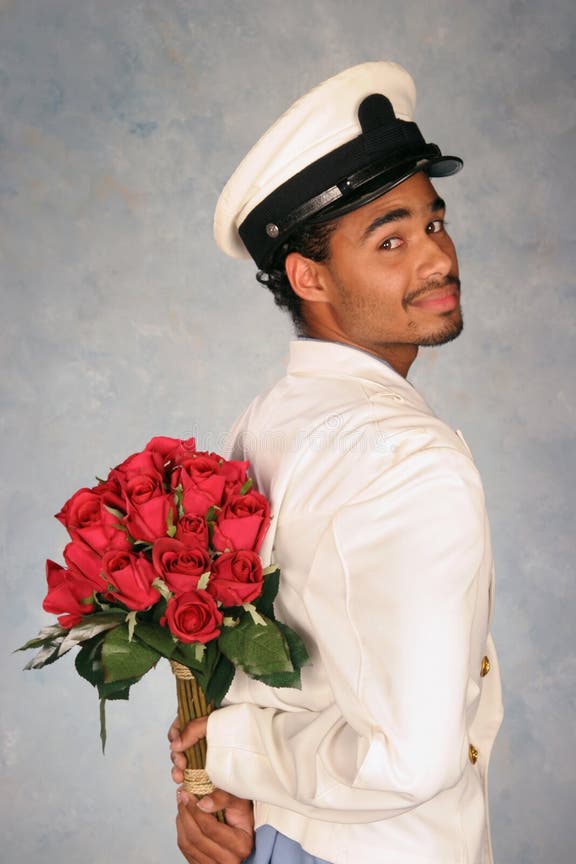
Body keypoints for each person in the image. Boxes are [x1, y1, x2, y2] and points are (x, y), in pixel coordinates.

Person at [169, 61, 504, 864]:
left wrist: (213, 781)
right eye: (389, 239)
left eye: (433, 221)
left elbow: (243, 653)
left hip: (279, 835)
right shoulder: (412, 460)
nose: (435, 258)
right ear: (308, 275)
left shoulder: (269, 420)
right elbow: (412, 760)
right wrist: (227, 760)